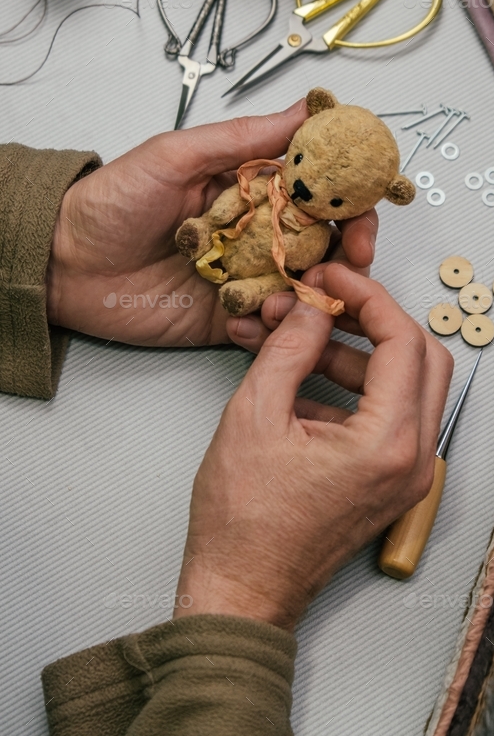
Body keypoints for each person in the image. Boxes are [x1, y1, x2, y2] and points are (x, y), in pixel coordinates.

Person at [1, 99, 453, 735]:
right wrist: (245, 600)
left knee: (257, 294)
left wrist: (52, 250)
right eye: (298, 163)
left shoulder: (318, 238)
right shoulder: (262, 184)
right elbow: (227, 210)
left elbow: (287, 271)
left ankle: (236, 291)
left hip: (247, 282)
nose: (297, 184)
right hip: (206, 249)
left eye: (323, 188)